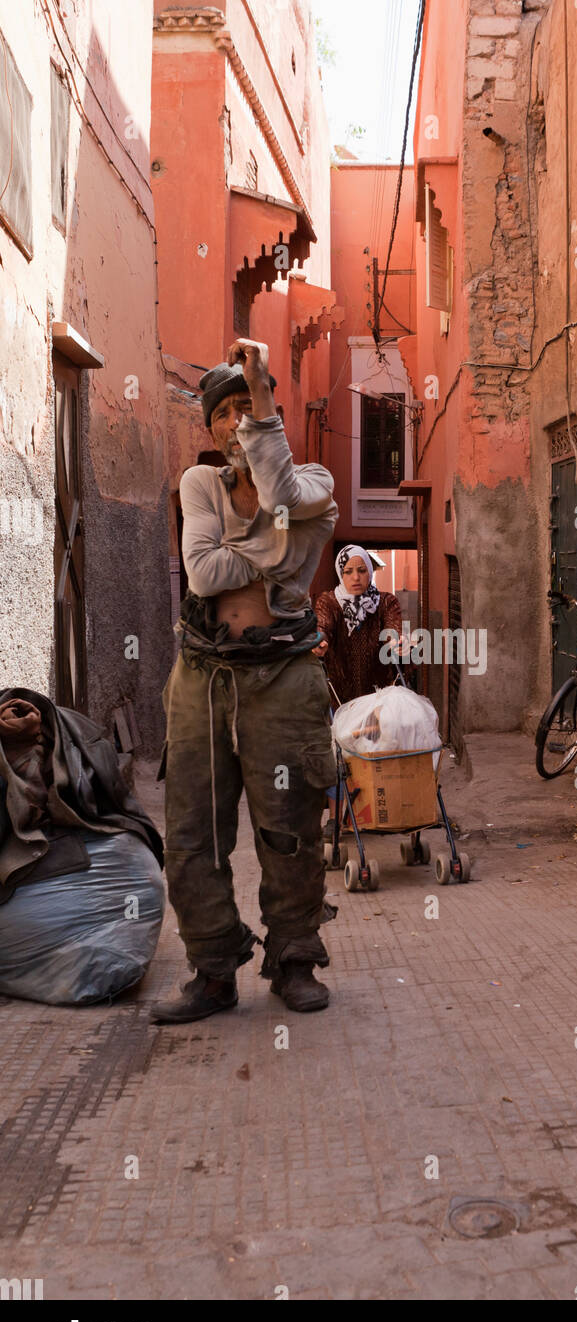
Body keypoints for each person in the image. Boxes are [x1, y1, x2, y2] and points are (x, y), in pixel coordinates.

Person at [150, 338, 339, 1025]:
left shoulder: (313, 485)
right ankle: (213, 970)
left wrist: (249, 541)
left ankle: (294, 959)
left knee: (288, 828)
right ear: (209, 428)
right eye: (224, 412)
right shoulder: (199, 484)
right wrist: (276, 551)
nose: (236, 422)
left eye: (250, 408)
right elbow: (202, 574)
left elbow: (283, 493)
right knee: (193, 831)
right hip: (201, 678)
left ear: (273, 419)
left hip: (284, 678)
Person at [313, 547, 404, 836]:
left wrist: (394, 643)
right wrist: (320, 641)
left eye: (361, 570)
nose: (355, 577)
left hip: (375, 693)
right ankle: (334, 818)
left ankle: (375, 812)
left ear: (370, 571)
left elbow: (392, 629)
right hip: (338, 692)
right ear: (341, 573)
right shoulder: (329, 602)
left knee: (374, 750)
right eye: (348, 571)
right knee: (337, 752)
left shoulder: (386, 602)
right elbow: (321, 626)